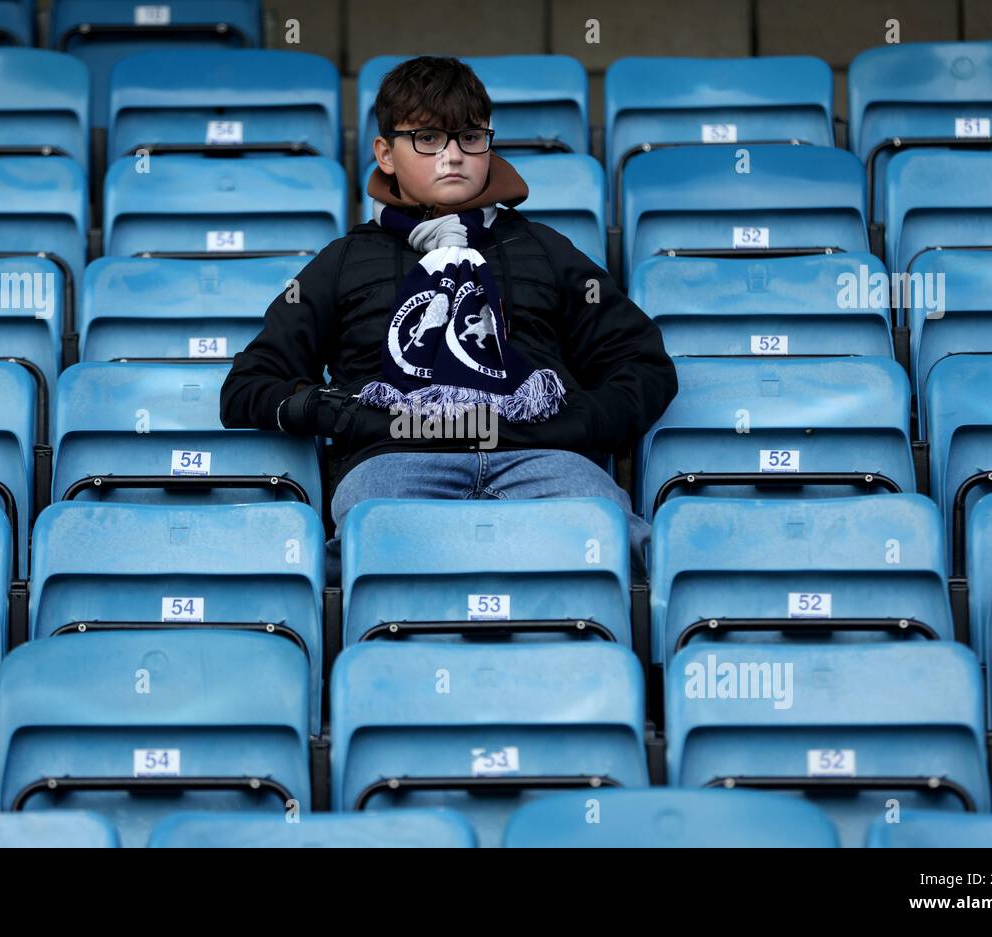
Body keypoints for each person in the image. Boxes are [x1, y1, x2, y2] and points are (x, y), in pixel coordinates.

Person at [220, 55, 677, 577]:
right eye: (429, 138)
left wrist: (579, 422)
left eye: (470, 137)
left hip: (544, 458)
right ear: (385, 154)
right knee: (368, 552)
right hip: (394, 460)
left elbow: (643, 364)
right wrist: (346, 415)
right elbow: (247, 387)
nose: (454, 156)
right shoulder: (343, 262)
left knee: (620, 539)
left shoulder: (545, 250)